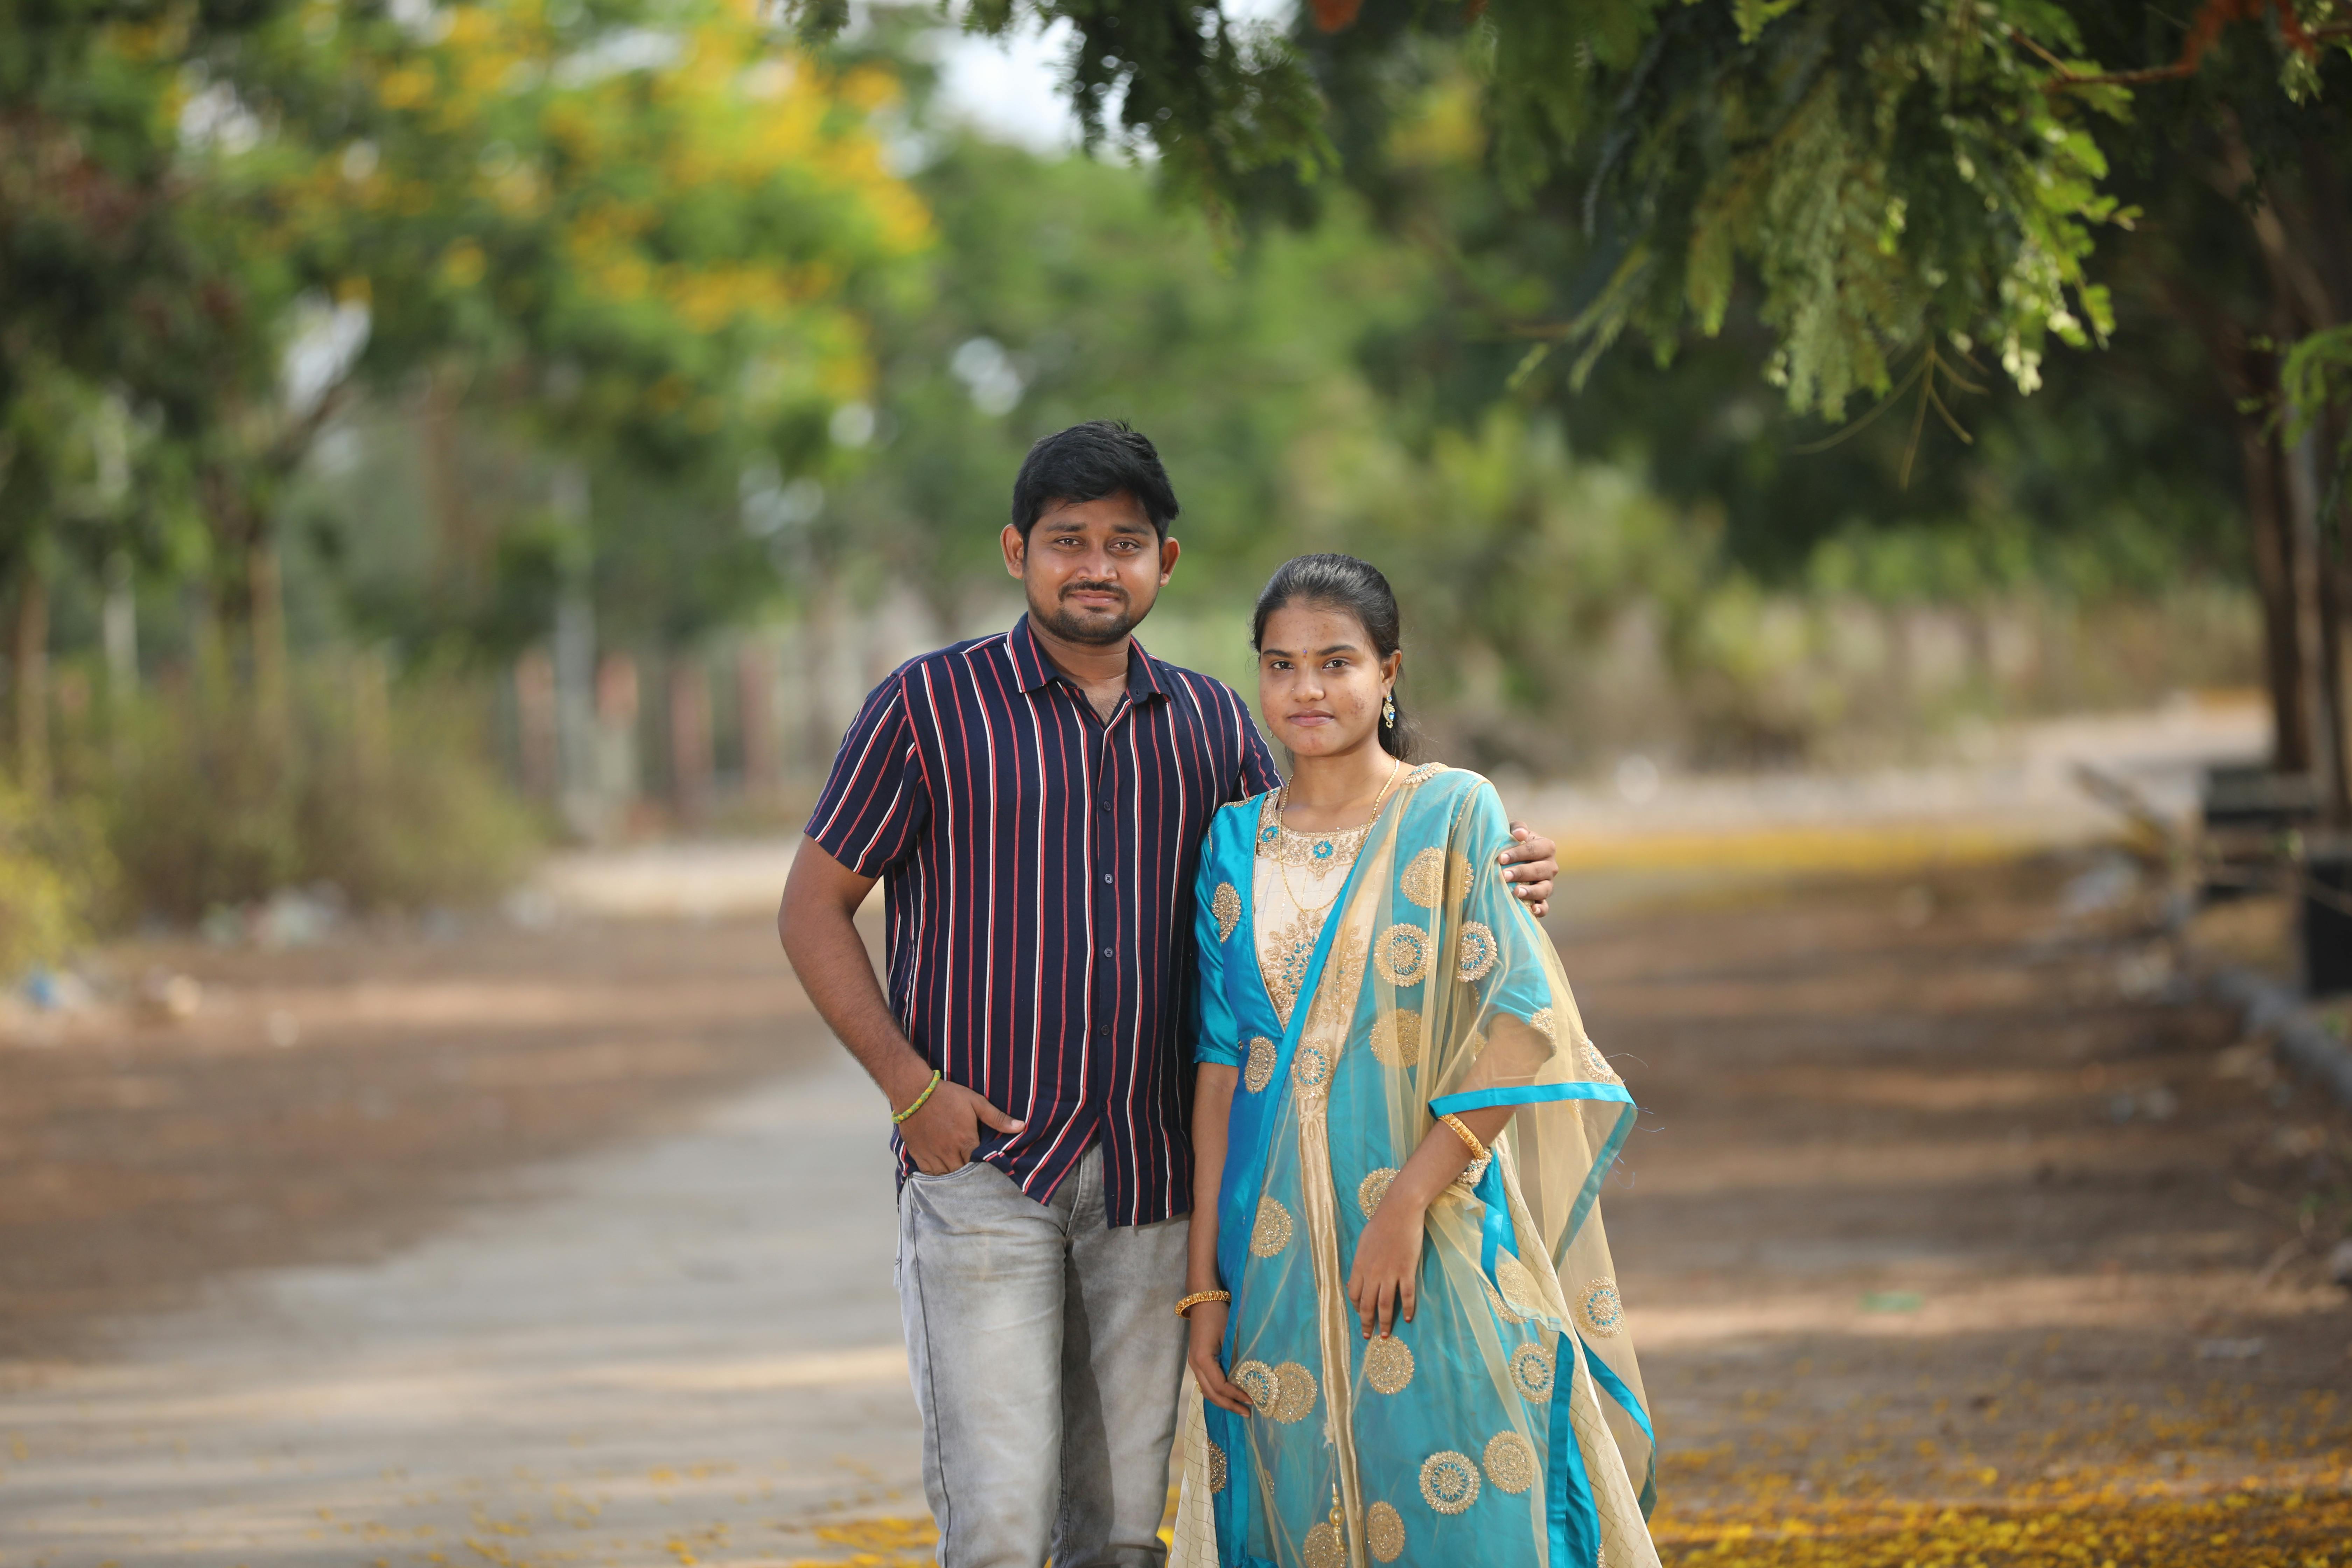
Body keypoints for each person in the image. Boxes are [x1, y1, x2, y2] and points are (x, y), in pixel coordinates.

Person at [777, 422, 1563, 1568]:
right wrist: (913, 1092)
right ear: (1017, 552)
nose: (1096, 565)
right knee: (997, 1522)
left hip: (1157, 1192)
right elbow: (811, 909)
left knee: (1123, 1530)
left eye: (1125, 543)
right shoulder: (928, 709)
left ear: (1166, 564)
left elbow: (1323, 860)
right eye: (1067, 542)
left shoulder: (1209, 727)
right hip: (982, 1174)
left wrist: (1509, 870)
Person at [1170, 554, 1657, 1568]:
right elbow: (1221, 1068)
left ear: (1390, 673)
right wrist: (1204, 1288)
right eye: (1281, 664)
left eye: (1336, 662)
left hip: (1428, 1235)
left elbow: (1522, 1023)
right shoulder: (1231, 840)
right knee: (1297, 1516)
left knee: (1461, 1504)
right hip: (1270, 1265)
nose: (1307, 689)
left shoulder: (1452, 812)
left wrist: (1403, 1209)